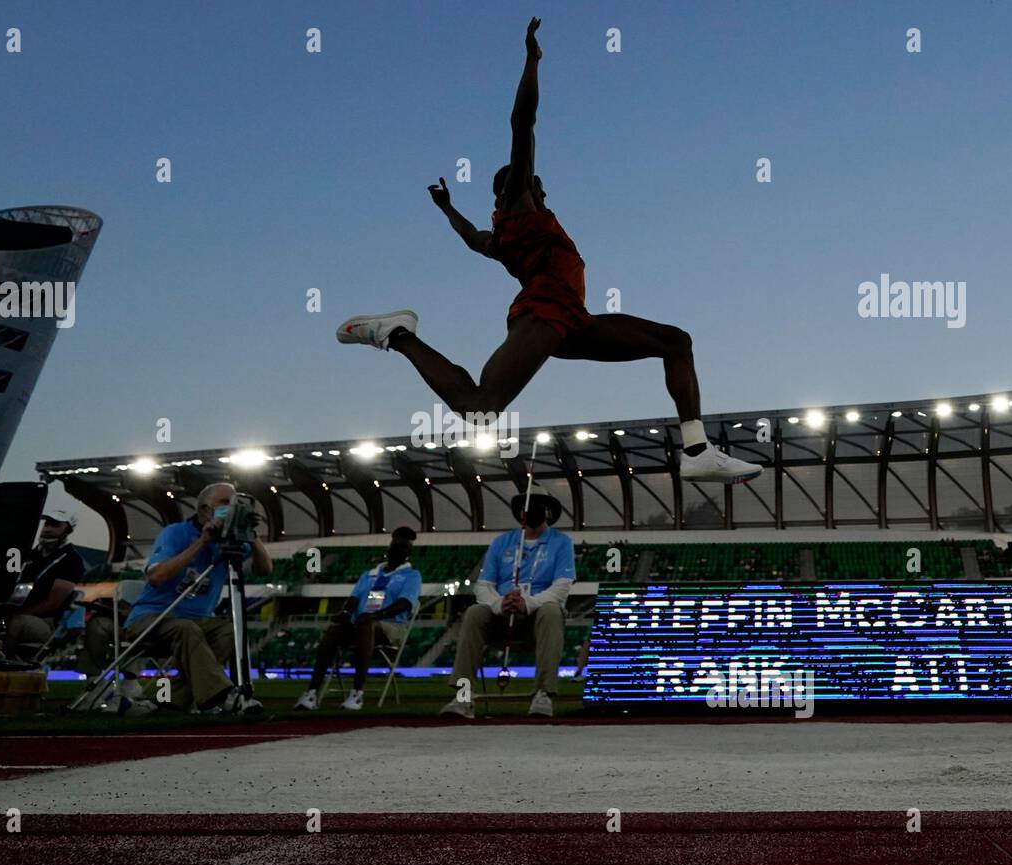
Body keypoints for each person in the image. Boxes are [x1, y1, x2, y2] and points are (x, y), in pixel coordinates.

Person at [337, 17, 761, 485]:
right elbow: (523, 122)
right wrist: (532, 61)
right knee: (480, 411)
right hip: (543, 313)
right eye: (532, 182)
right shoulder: (520, 206)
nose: (540, 184)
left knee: (675, 341)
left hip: (572, 321)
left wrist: (447, 208)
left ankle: (698, 449)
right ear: (517, 190)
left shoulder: (501, 239)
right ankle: (399, 335)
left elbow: (471, 239)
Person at [123, 482, 272, 715]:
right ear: (204, 510)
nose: (232, 507)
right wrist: (202, 542)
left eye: (234, 502)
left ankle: (172, 703)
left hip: (198, 621)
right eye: (225, 503)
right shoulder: (175, 532)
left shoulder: (230, 540)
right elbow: (156, 577)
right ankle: (226, 696)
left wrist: (252, 536)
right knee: (187, 628)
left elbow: (265, 569)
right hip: (152, 617)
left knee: (230, 632)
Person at [440, 482, 574, 719]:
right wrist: (499, 604)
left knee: (553, 611)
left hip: (538, 618)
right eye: (525, 506)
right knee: (474, 612)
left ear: (548, 511)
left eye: (536, 506)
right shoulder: (501, 542)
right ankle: (463, 696)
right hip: (502, 615)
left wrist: (528, 603)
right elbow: (484, 586)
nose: (529, 510)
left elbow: (562, 586)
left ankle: (543, 694)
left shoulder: (561, 542)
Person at [294, 526, 422, 712]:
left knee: (365, 624)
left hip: (390, 626)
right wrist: (346, 613)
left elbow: (404, 603)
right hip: (361, 624)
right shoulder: (368, 575)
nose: (398, 550)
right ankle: (311, 693)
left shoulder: (412, 575)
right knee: (335, 629)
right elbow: (353, 599)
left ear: (409, 551)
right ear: (389, 546)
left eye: (404, 547)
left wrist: (375, 616)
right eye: (396, 545)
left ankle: (357, 693)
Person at [0, 509, 86, 661]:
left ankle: (1, 663)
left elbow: (53, 603)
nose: (47, 529)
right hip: (13, 608)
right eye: (46, 524)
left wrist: (14, 613)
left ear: (68, 530)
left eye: (55, 525)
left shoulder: (71, 560)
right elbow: (11, 581)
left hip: (45, 622)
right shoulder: (30, 555)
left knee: (16, 622)